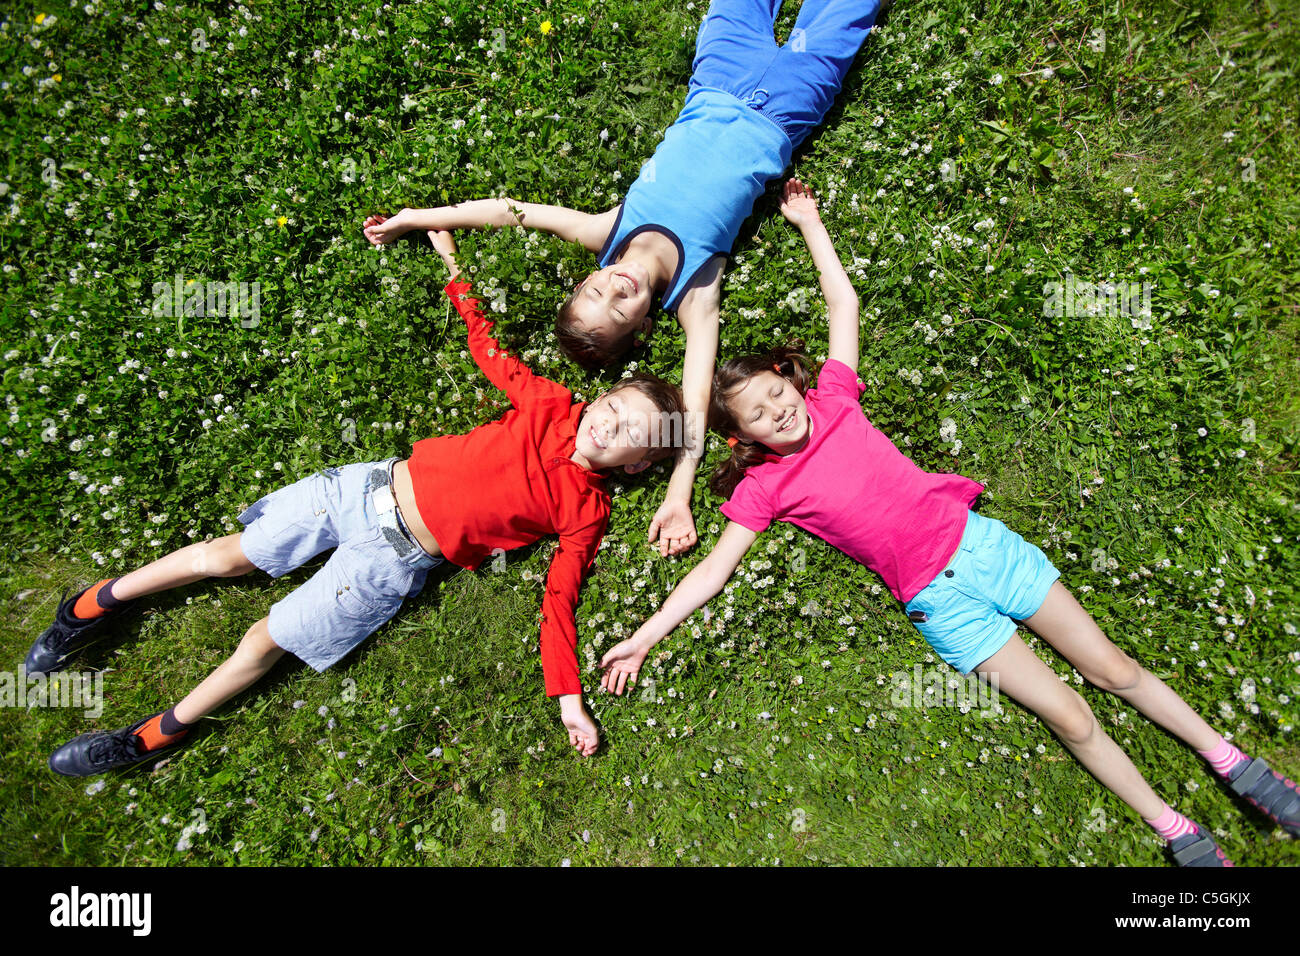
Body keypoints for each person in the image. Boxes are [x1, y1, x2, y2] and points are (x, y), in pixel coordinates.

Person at [597, 180, 1300, 866]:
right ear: (746, 439)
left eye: (781, 393)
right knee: (1071, 717)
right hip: (944, 606)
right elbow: (713, 572)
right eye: (762, 414)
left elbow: (843, 302)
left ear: (796, 382)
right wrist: (643, 638)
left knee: (1114, 669)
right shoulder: (762, 488)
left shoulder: (836, 399)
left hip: (983, 549)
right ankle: (1175, 829)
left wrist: (810, 223)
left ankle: (1235, 763)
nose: (782, 410)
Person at [29, 231, 686, 774]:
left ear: (636, 464)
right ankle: (91, 606)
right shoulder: (548, 402)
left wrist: (569, 700)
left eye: (631, 435)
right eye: (616, 409)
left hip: (388, 567)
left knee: (264, 640)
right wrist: (454, 268)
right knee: (223, 556)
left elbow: (559, 601)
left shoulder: (585, 514)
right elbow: (487, 350)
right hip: (360, 490)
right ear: (600, 396)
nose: (611, 425)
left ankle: (152, 738)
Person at [362, 0, 887, 558]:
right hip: (786, 108)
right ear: (639, 329)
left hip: (717, 77)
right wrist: (679, 492)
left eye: (596, 288)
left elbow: (508, 210)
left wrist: (417, 219)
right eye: (618, 308)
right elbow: (690, 408)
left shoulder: (606, 231)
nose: (617, 286)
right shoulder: (696, 291)